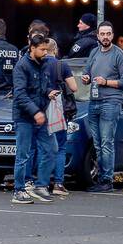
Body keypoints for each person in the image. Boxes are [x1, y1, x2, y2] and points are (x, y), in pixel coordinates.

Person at [82, 21, 123, 193]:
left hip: (111, 102)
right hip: (93, 102)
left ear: (112, 35)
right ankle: (101, 179)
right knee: (97, 144)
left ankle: (107, 180)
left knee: (106, 142)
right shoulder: (94, 52)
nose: (105, 37)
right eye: (102, 34)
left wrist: (106, 82)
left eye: (108, 34)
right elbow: (86, 72)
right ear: (97, 36)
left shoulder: (119, 54)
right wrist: (86, 78)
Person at [11, 34, 60, 205]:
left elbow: (43, 86)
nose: (45, 52)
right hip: (25, 117)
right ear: (32, 48)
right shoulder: (21, 66)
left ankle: (40, 185)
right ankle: (18, 190)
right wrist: (35, 112)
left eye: (47, 49)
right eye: (42, 49)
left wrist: (49, 92)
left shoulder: (44, 64)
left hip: (41, 115)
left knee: (52, 149)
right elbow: (20, 95)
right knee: (23, 154)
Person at [42, 38, 78, 198]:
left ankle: (39, 181)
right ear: (55, 50)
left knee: (40, 146)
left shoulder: (38, 63)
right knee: (61, 146)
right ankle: (58, 183)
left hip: (40, 106)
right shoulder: (61, 65)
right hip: (57, 108)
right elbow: (74, 87)